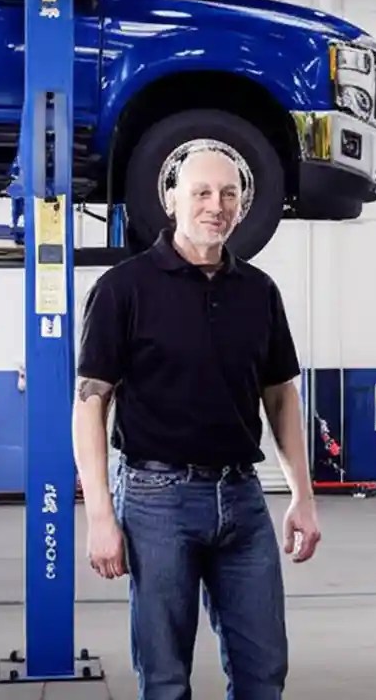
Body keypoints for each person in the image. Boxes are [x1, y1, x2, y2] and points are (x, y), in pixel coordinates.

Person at [71, 143, 321, 700]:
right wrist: (100, 517)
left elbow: (280, 396)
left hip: (242, 500)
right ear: (171, 200)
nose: (217, 205)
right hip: (156, 500)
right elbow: (90, 403)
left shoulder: (259, 292)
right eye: (202, 192)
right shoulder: (123, 289)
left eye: (229, 194)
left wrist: (301, 495)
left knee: (263, 673)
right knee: (164, 678)